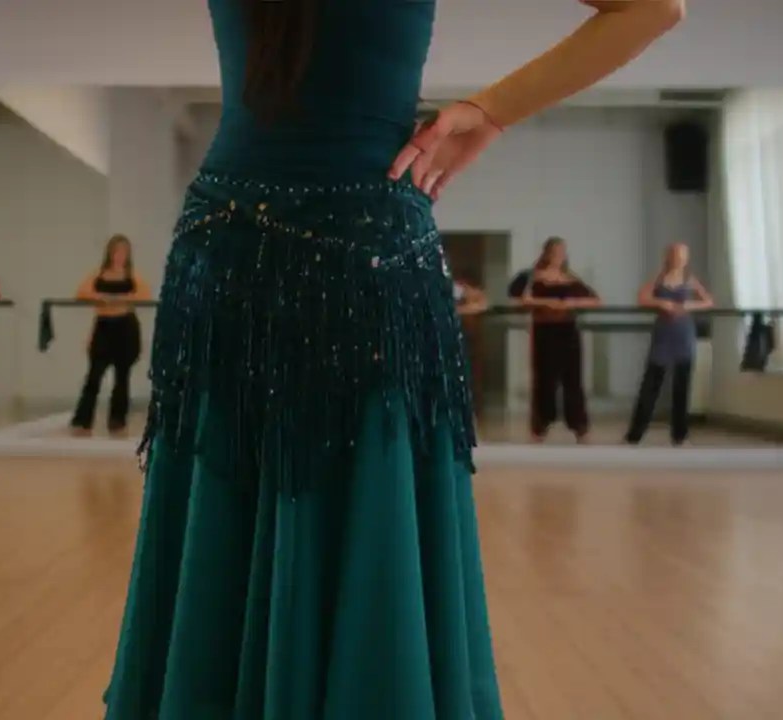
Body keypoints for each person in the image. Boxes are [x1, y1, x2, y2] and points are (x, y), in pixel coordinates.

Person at [103, 0, 685, 717]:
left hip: (235, 237)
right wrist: (493, 111)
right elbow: (654, 7)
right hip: (365, 235)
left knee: (234, 503)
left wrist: (492, 111)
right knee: (363, 497)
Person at [625, 242, 713, 446]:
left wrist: (690, 305)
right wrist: (660, 303)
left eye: (682, 255)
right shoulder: (659, 278)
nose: (678, 258)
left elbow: (708, 301)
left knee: (682, 386)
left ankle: (679, 435)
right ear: (668, 256)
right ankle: (635, 435)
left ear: (686, 258)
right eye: (674, 254)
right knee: (651, 385)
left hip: (683, 334)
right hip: (664, 334)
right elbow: (642, 297)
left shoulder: (689, 279)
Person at [519, 237, 601, 443]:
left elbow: (595, 300)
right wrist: (548, 303)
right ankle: (540, 427)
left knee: (573, 379)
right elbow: (521, 299)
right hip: (544, 331)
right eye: (554, 252)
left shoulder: (570, 278)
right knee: (544, 379)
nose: (558, 256)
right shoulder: (532, 277)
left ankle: (579, 427)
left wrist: (569, 303)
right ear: (546, 253)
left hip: (568, 331)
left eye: (561, 252)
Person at [70, 234, 149, 435]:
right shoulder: (99, 274)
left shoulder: (132, 275)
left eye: (124, 252)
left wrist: (120, 299)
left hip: (126, 327)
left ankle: (117, 421)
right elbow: (81, 292)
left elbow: (144, 295)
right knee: (94, 375)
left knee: (122, 377)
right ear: (110, 253)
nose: (120, 256)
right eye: (117, 251)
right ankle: (82, 421)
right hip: (104, 326)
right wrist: (101, 297)